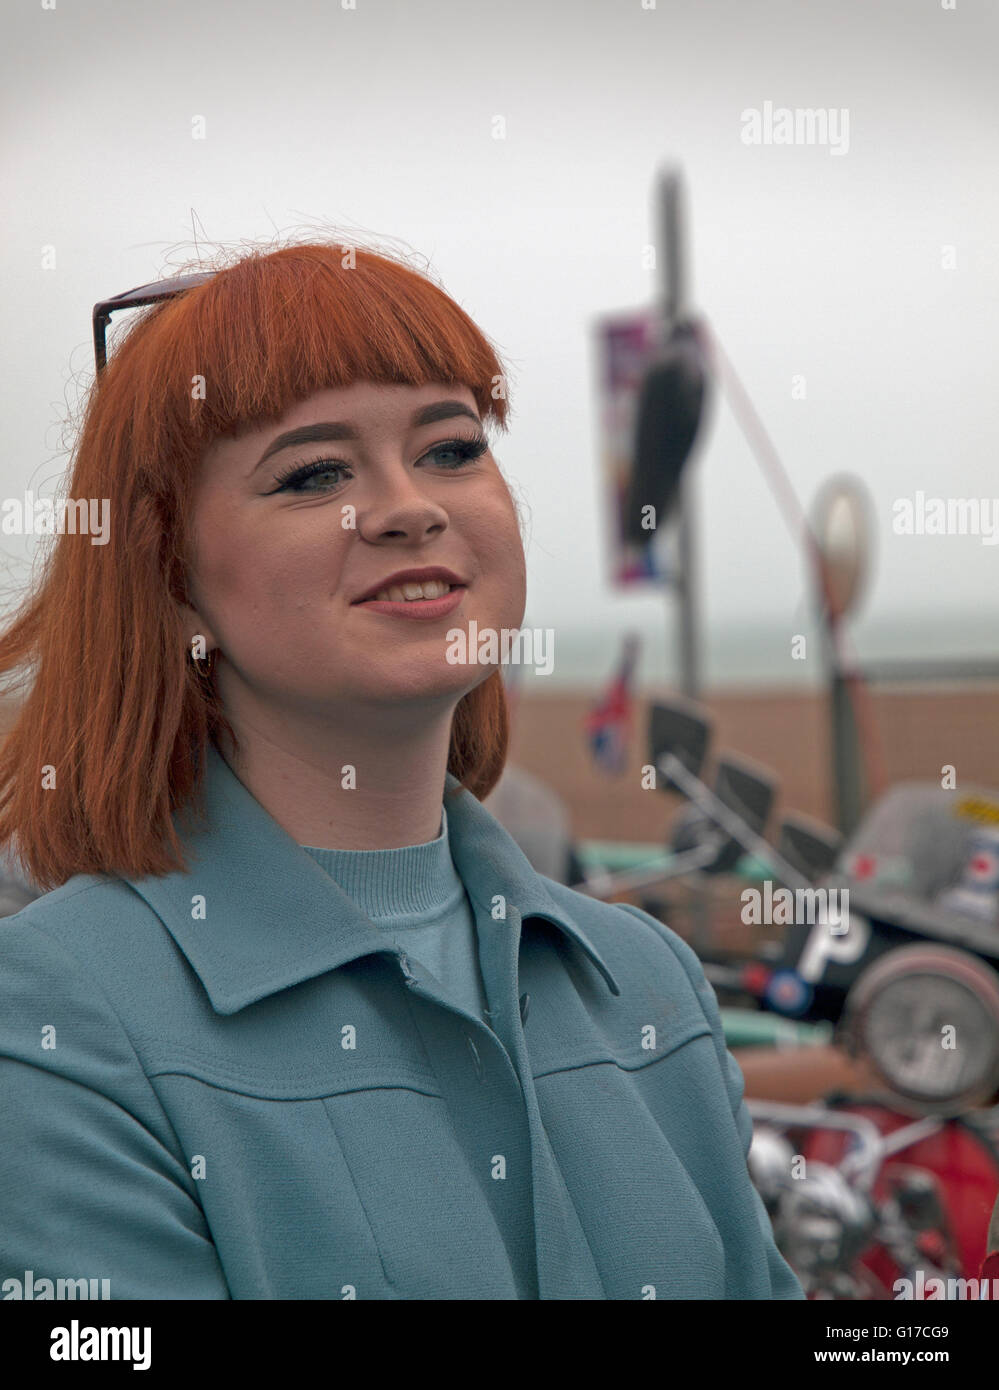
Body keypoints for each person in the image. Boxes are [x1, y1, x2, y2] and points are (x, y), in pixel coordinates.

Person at [0, 239, 803, 1300]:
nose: (407, 505)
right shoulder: (55, 1014)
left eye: (452, 448)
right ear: (170, 572)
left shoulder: (646, 977)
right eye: (314, 472)